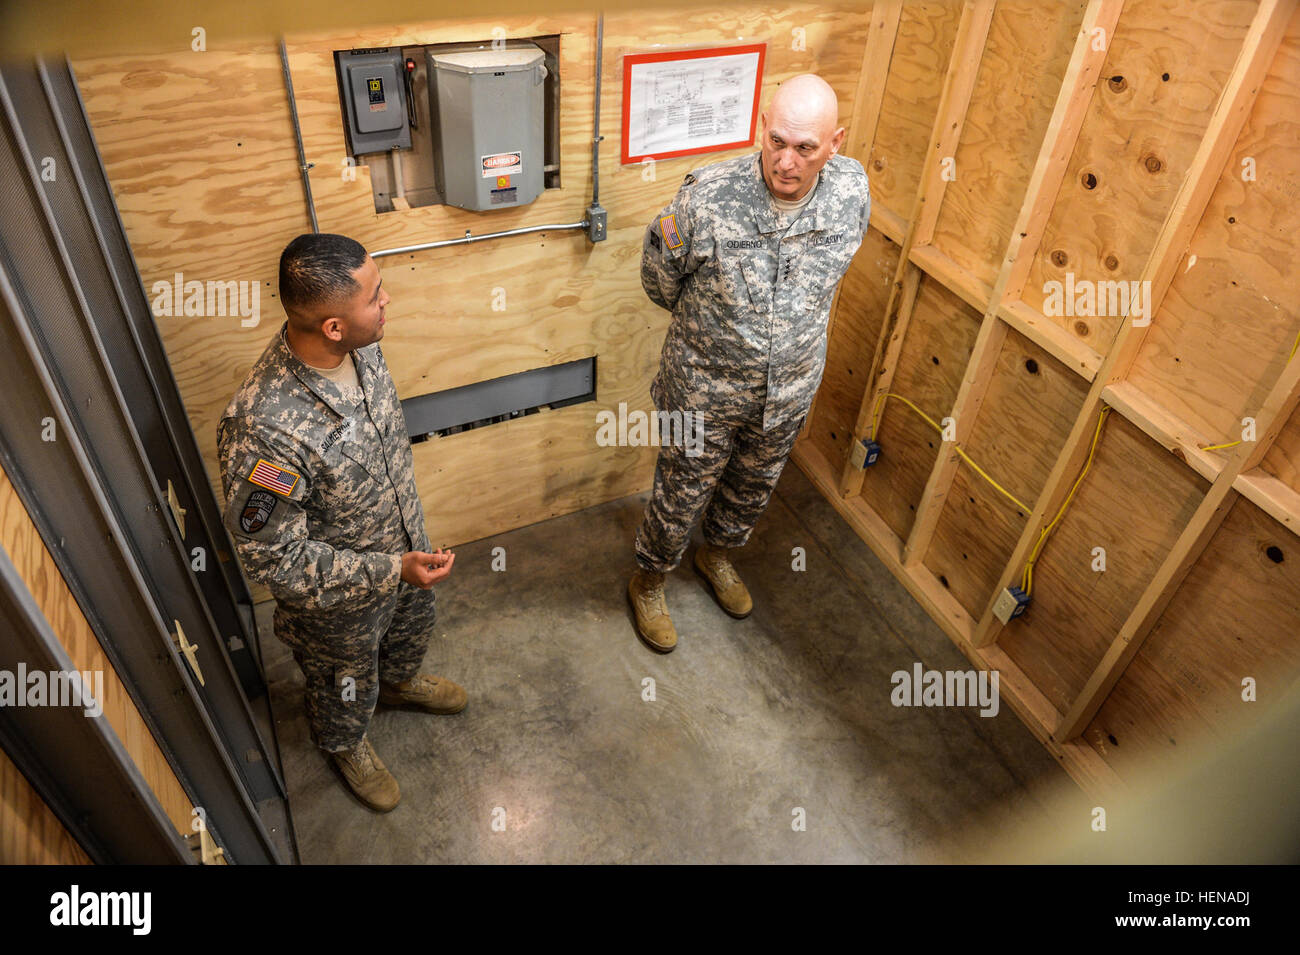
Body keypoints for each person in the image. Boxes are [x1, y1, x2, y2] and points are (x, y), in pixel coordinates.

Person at [217, 232, 465, 812]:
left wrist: (404, 558)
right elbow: (272, 557)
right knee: (342, 682)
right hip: (339, 604)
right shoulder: (265, 428)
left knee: (409, 633)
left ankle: (399, 685)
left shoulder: (364, 346)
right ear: (333, 326)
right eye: (376, 296)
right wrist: (387, 570)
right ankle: (344, 741)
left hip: (406, 548)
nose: (387, 303)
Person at [630, 73, 871, 652]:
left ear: (834, 144)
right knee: (681, 490)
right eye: (776, 141)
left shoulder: (851, 191)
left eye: (805, 148)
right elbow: (658, 279)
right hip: (704, 392)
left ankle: (717, 556)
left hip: (787, 391)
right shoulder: (707, 196)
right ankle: (649, 580)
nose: (786, 161)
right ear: (763, 129)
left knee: (752, 487)